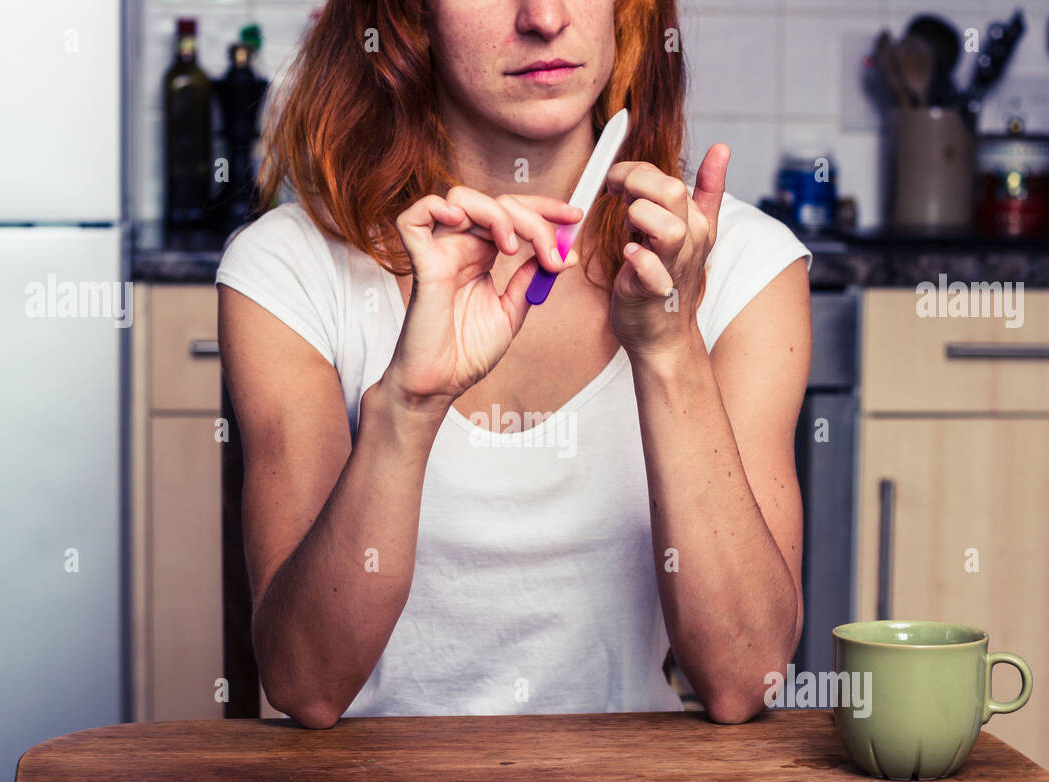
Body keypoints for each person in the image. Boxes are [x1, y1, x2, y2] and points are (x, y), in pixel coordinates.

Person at [215, 0, 812, 728]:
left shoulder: (745, 262)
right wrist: (410, 404)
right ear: (408, 17)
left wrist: (669, 347)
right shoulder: (288, 268)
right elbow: (305, 684)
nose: (546, 16)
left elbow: (743, 679)